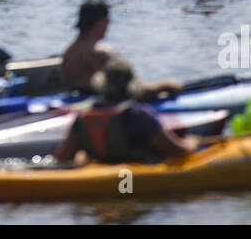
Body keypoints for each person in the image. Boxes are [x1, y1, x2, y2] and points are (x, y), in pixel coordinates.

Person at [53, 58, 196, 164]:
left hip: (102, 175)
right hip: (134, 178)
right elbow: (179, 152)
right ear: (131, 85)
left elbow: (63, 158)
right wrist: (192, 141)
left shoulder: (83, 117)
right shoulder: (140, 116)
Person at [58, 0, 180, 98]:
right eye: (107, 21)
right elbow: (129, 90)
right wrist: (164, 86)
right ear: (101, 22)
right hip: (104, 106)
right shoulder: (101, 53)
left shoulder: (69, 51)